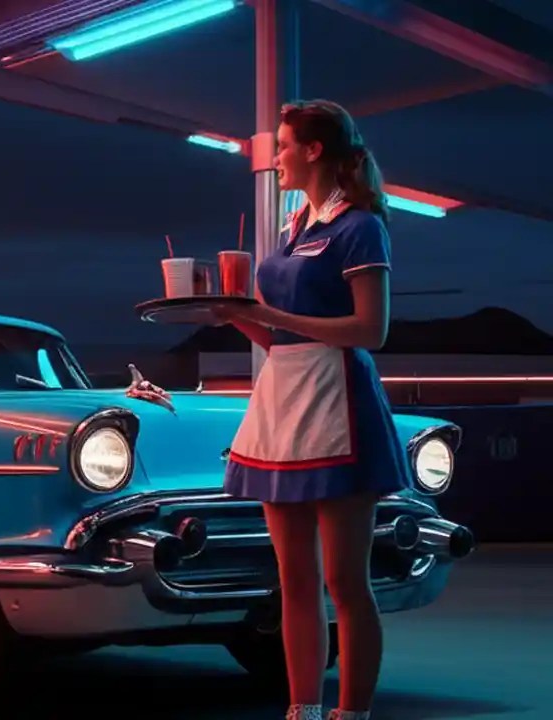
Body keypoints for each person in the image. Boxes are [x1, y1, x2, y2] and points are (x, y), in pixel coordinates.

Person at [214, 100, 411, 720]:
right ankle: (301, 710)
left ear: (313, 151)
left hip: (338, 403)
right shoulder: (290, 229)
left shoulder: (359, 226)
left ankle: (350, 713)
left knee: (344, 583)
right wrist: (237, 314)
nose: (274, 158)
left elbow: (370, 329)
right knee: (293, 582)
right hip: (283, 398)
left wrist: (270, 313)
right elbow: (283, 341)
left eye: (281, 146)